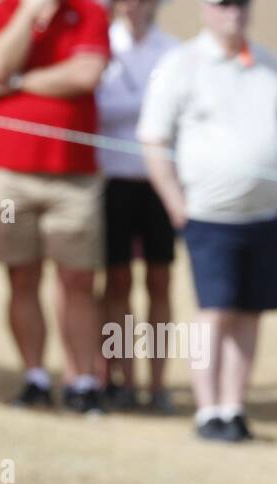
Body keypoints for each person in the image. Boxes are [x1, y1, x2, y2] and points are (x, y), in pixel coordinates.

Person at [139, 0, 277, 442]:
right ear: (206, 10)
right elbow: (154, 137)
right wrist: (175, 200)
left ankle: (233, 407)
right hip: (210, 216)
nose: (234, 13)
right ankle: (207, 411)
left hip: (268, 216)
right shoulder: (181, 64)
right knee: (214, 312)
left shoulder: (268, 63)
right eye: (223, 4)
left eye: (241, 5)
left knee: (250, 312)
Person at [0, 0, 110, 412]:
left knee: (78, 280)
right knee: (21, 277)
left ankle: (82, 380)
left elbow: (85, 74)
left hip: (73, 175)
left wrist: (19, 80)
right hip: (9, 173)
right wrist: (26, 15)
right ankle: (34, 376)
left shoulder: (89, 13)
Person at [95, 0, 177, 413]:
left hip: (159, 183)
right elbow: (96, 109)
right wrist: (150, 111)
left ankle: (158, 383)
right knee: (117, 282)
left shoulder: (174, 51)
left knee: (160, 282)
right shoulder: (101, 45)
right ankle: (119, 377)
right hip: (113, 180)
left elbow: (177, 116)